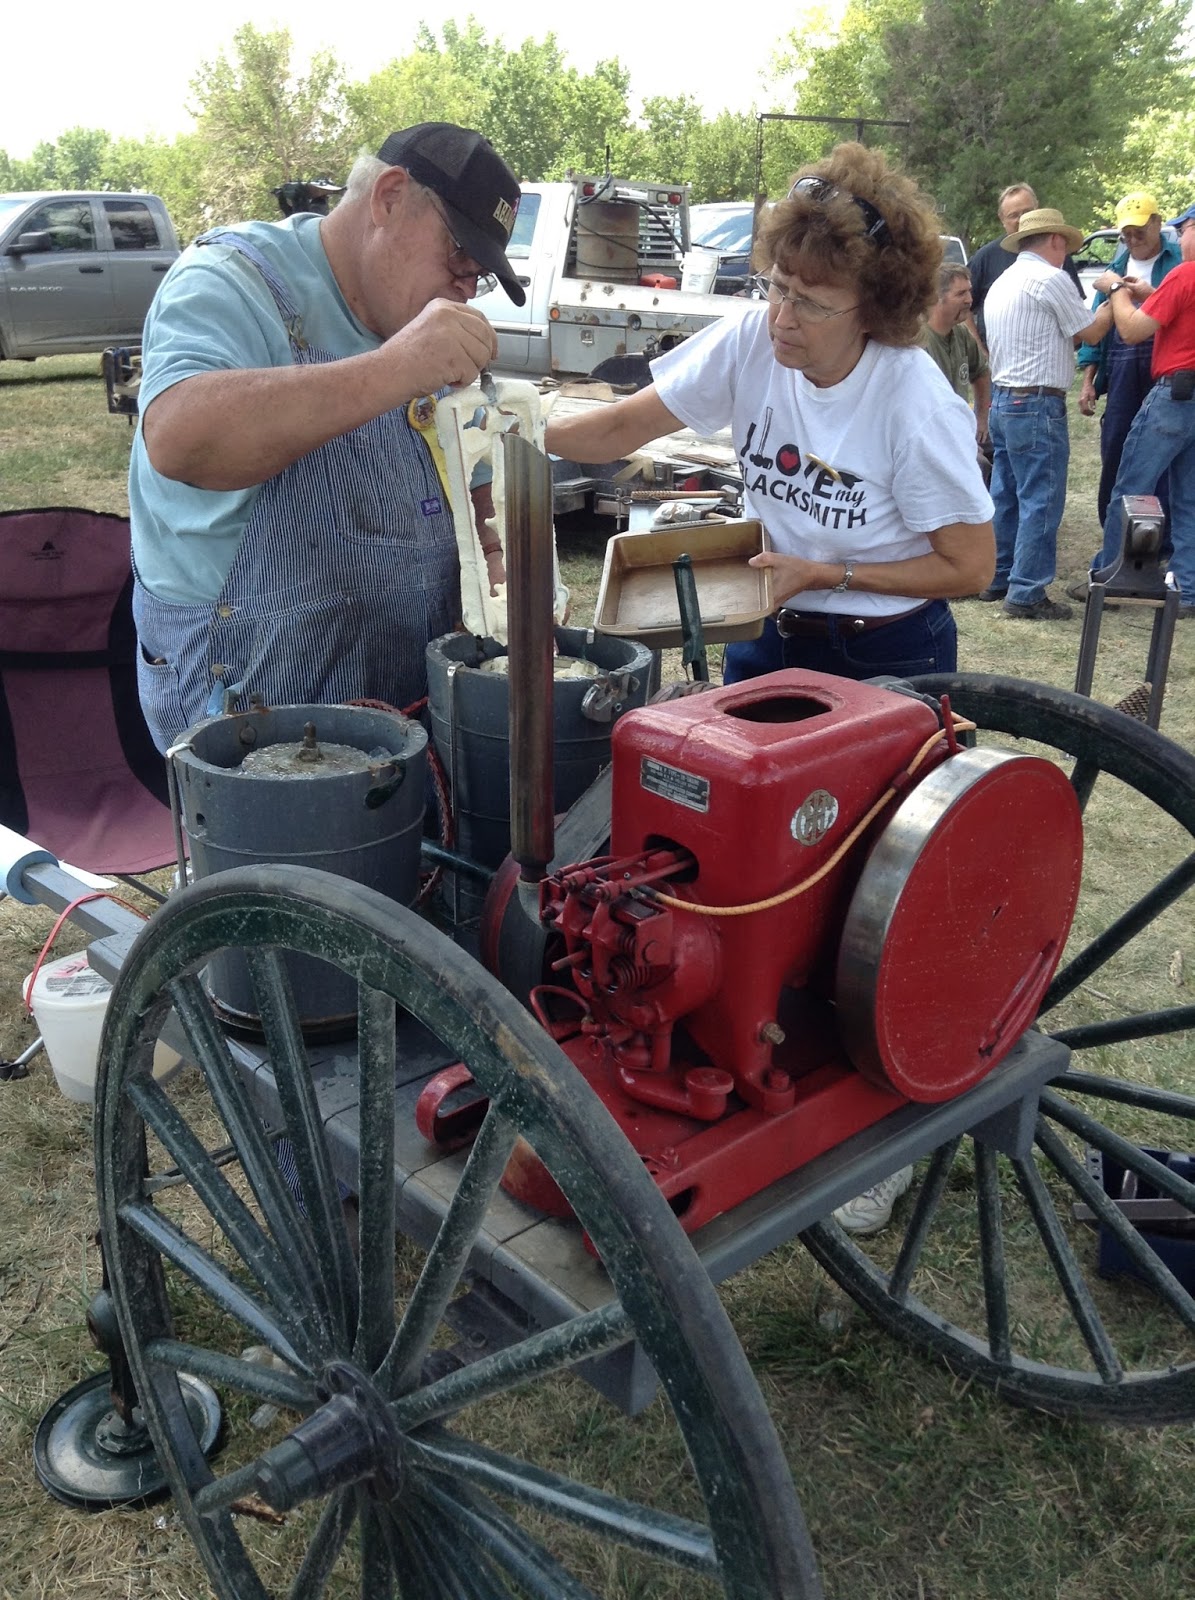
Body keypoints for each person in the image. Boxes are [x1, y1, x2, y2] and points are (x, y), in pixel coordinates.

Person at [545, 142, 995, 696]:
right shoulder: (748, 341)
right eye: (778, 287)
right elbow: (618, 428)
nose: (781, 317)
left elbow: (972, 568)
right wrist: (509, 434)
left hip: (883, 650)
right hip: (764, 631)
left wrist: (828, 575)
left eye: (810, 302)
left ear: (875, 310)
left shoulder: (914, 403)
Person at [129, 122, 522, 753]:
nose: (465, 288)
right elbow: (180, 439)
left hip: (395, 678)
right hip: (247, 690)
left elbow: (480, 505)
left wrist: (504, 578)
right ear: (389, 197)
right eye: (458, 257)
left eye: (480, 275)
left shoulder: (418, 319)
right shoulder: (231, 279)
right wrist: (399, 366)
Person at [981, 208, 1113, 620]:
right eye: (1065, 247)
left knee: (1006, 495)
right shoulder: (1049, 278)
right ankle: (1027, 591)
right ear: (1055, 240)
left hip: (1004, 399)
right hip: (1035, 401)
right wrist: (1113, 293)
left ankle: (998, 576)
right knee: (1041, 497)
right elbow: (1090, 331)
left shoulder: (1005, 280)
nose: (1066, 255)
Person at [1092, 204, 1195, 620]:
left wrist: (1115, 289)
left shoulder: (1185, 273)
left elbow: (1132, 331)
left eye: (1182, 229)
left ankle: (1111, 578)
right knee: (1189, 498)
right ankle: (1187, 588)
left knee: (1131, 486)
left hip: (1175, 394)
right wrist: (1148, 294)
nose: (1177, 238)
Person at [1077, 191, 1183, 557]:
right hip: (1121, 366)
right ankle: (1118, 537)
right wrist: (1089, 380)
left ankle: (1160, 544)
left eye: (1140, 231)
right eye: (1127, 234)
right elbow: (1098, 326)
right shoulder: (1117, 265)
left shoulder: (1177, 262)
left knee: (1165, 460)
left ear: (1157, 223)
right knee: (1117, 451)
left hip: (1163, 365)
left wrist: (1130, 292)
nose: (1134, 240)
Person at [967, 183, 1085, 347]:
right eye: (1013, 215)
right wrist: (981, 356)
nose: (1022, 219)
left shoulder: (1059, 255)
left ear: (1038, 210)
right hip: (994, 362)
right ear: (1002, 219)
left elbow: (1078, 320)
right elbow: (963, 308)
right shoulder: (985, 258)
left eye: (1027, 212)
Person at [919, 263, 992, 481]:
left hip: (958, 432)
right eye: (961, 293)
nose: (970, 299)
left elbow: (981, 373)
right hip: (932, 440)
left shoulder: (961, 334)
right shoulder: (917, 341)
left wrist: (981, 418)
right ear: (936, 297)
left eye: (969, 291)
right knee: (981, 467)